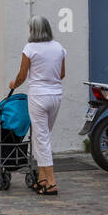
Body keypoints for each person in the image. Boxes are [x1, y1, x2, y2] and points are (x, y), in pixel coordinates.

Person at [10, 16, 67, 196]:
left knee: (41, 138)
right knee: (43, 136)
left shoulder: (30, 48)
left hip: (38, 96)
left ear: (33, 31)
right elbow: (62, 74)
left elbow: (22, 75)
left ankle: (51, 182)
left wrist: (13, 85)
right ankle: (41, 178)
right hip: (55, 95)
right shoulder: (59, 48)